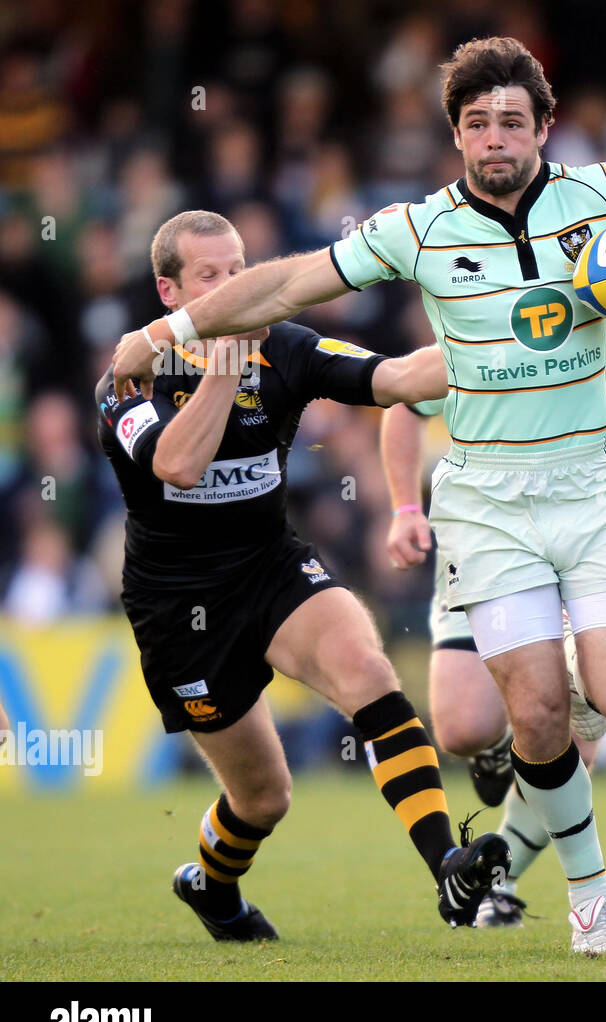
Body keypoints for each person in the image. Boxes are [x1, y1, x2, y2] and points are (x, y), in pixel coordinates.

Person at [109, 36, 606, 954]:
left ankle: (550, 720)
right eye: (478, 123)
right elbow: (289, 281)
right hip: (485, 501)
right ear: (455, 135)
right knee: (523, 715)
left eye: (513, 121)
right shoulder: (415, 229)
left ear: (544, 128)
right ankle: (591, 895)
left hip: (591, 486)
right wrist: (165, 332)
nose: (496, 138)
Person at [96, 209, 509, 942]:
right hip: (178, 605)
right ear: (169, 292)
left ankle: (447, 865)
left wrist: (516, 341)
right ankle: (212, 888)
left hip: (272, 567)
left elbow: (398, 376)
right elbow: (178, 465)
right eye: (211, 277)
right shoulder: (130, 374)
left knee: (368, 673)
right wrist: (225, 365)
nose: (235, 288)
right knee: (264, 798)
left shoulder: (286, 346)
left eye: (241, 271)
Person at [382, 319, 606, 926]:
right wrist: (404, 506)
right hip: (490, 535)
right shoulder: (507, 317)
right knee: (463, 729)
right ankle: (502, 747)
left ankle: (502, 884)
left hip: (593, 557)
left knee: (573, 728)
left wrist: (592, 504)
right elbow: (403, 402)